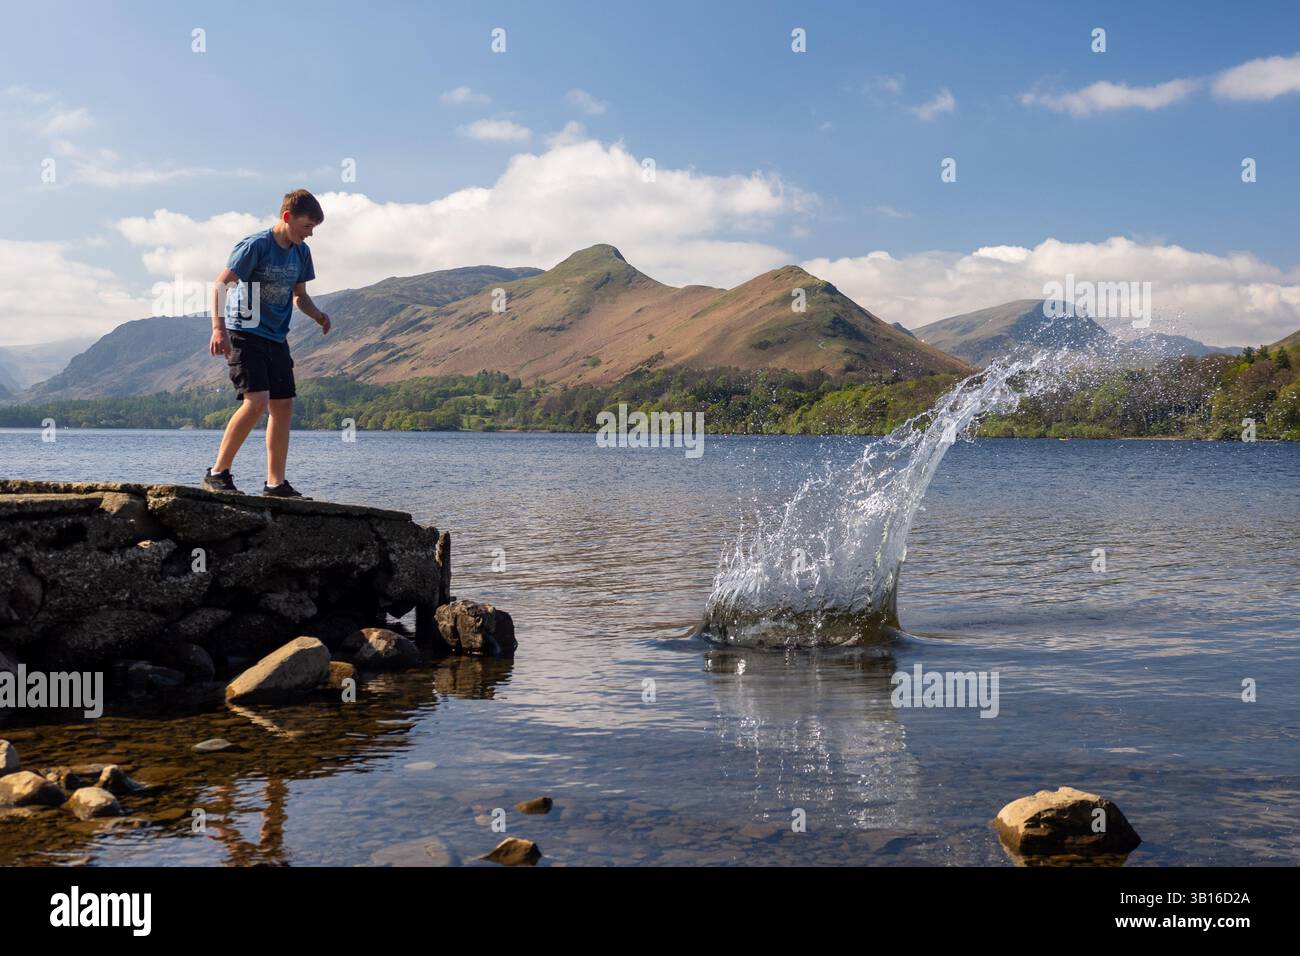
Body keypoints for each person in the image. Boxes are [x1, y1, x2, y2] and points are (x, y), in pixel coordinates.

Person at [202, 189, 331, 497]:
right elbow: (221, 285)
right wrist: (218, 329)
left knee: (283, 406)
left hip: (276, 336)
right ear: (287, 218)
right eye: (306, 226)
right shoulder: (255, 246)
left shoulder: (301, 252)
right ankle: (218, 472)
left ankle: (275, 483)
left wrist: (318, 316)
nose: (310, 234)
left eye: (314, 228)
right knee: (256, 401)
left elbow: (299, 296)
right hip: (243, 332)